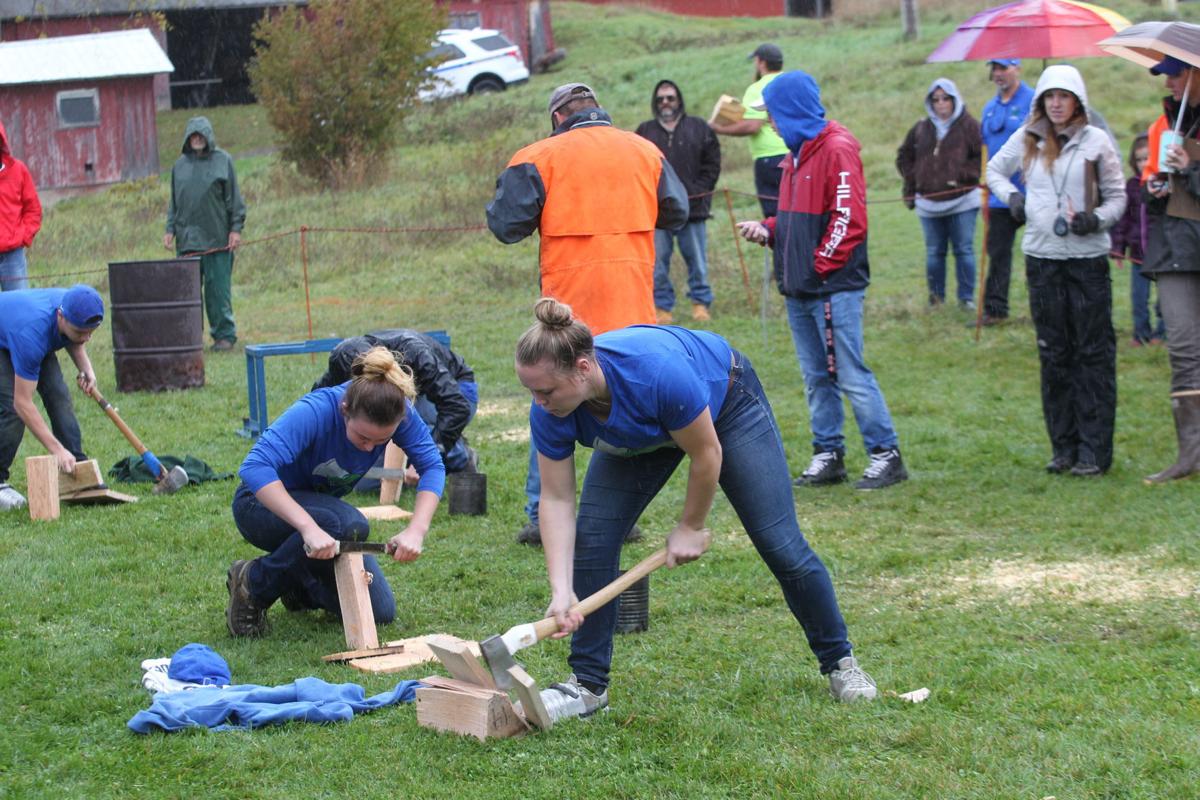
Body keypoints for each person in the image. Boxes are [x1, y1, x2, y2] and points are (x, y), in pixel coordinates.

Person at [515, 298, 878, 722]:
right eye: (532, 391)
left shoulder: (656, 375)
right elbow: (557, 499)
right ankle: (587, 686)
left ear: (582, 368)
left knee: (778, 542)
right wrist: (561, 589)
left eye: (546, 391)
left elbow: (706, 453)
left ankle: (840, 662)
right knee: (593, 538)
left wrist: (691, 525)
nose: (539, 402)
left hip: (725, 405)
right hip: (643, 429)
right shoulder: (552, 410)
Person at [487, 81, 689, 545]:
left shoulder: (539, 156)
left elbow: (506, 224)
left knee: (550, 399)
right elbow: (676, 212)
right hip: (634, 309)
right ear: (598, 109)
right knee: (620, 405)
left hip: (568, 312)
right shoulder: (645, 150)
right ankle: (620, 516)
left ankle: (542, 515)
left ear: (557, 118)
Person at [737, 70, 908, 490]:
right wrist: (770, 230)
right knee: (815, 375)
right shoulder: (794, 156)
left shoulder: (837, 149)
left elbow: (848, 219)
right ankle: (828, 453)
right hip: (800, 286)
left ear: (791, 109)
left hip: (831, 286)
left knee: (849, 372)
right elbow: (797, 219)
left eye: (773, 112)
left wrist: (818, 266)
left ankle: (886, 454)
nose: (770, 121)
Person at [227, 346, 445, 637]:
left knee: (380, 612)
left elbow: (433, 467)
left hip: (324, 517)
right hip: (257, 506)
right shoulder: (316, 411)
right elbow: (254, 468)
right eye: (363, 437)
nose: (369, 448)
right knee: (349, 524)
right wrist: (308, 527)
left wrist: (416, 530)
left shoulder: (399, 411)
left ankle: (296, 582)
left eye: (381, 441)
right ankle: (253, 584)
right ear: (345, 410)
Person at [986, 65, 1125, 477]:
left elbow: (1118, 197)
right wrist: (1012, 197)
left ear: (1078, 101)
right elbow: (994, 170)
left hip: (1086, 260)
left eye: (1064, 96)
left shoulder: (1096, 140)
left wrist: (1096, 219)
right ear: (1041, 101)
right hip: (1042, 258)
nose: (1057, 104)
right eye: (1050, 96)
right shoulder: (1027, 137)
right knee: (1054, 352)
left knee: (1092, 353)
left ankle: (1094, 450)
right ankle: (1063, 447)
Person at [1140, 56, 1200, 483]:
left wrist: (1190, 170)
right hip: (1176, 250)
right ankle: (1189, 456)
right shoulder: (1161, 125)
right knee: (1181, 347)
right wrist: (1155, 186)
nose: (1169, 83)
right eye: (1166, 75)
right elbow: (1148, 184)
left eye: (1176, 74)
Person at [313, 329, 479, 481]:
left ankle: (459, 455)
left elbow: (457, 406)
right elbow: (317, 402)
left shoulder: (415, 353)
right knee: (364, 482)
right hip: (414, 398)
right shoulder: (344, 361)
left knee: (407, 426)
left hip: (458, 392)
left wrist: (431, 455)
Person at [0, 285, 104, 511]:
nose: (86, 338)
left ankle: (75, 468)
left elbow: (75, 337)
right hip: (12, 338)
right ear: (61, 317)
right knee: (12, 411)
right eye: (81, 332)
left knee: (59, 396)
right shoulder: (31, 336)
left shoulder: (74, 303)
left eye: (91, 332)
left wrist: (86, 369)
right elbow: (22, 403)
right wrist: (56, 449)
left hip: (30, 334)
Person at [636, 79, 722, 323]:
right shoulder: (645, 132)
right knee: (657, 263)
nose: (665, 102)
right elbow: (637, 167)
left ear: (679, 100)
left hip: (694, 207)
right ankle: (662, 308)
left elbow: (712, 163)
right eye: (660, 99)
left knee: (697, 261)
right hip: (658, 210)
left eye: (670, 98)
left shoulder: (699, 127)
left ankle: (700, 304)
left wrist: (699, 190)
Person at [895, 78, 982, 309]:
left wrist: (962, 175)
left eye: (945, 98)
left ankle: (966, 299)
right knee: (934, 253)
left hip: (963, 201)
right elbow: (904, 156)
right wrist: (915, 176)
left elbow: (982, 157)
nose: (941, 103)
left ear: (955, 100)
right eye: (936, 99)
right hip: (928, 204)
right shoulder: (921, 128)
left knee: (964, 250)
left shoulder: (970, 126)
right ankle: (936, 300)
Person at [164, 116, 246, 352]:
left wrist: (235, 229)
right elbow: (174, 202)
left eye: (201, 135)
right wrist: (170, 229)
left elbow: (234, 199)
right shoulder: (179, 166)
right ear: (188, 138)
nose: (197, 139)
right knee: (187, 294)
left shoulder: (223, 161)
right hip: (187, 242)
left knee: (218, 292)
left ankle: (224, 336)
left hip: (217, 240)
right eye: (193, 135)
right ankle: (190, 337)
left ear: (208, 136)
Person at [979, 59, 1035, 326]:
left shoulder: (1035, 101)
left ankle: (1042, 307)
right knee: (998, 254)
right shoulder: (989, 108)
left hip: (1034, 194)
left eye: (1003, 68)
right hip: (1000, 197)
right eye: (995, 69)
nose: (998, 74)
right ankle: (995, 310)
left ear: (1017, 68)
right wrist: (985, 187)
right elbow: (985, 150)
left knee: (1038, 254)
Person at [709, 43, 788, 217]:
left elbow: (753, 125)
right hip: (796, 154)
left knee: (775, 213)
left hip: (769, 158)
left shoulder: (757, 88)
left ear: (761, 62)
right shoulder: (790, 83)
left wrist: (719, 128)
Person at [1111, 133, 1165, 347]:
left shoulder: (1164, 186)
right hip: (1137, 255)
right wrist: (1118, 248)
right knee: (1139, 299)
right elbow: (1123, 220)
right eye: (1139, 159)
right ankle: (1140, 333)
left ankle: (1162, 333)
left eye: (1147, 158)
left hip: (1162, 256)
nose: (1143, 164)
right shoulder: (1131, 186)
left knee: (1164, 299)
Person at [0, 120, 42, 292]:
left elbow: (33, 209)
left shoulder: (18, 170)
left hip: (13, 256)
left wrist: (23, 237)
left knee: (19, 303)